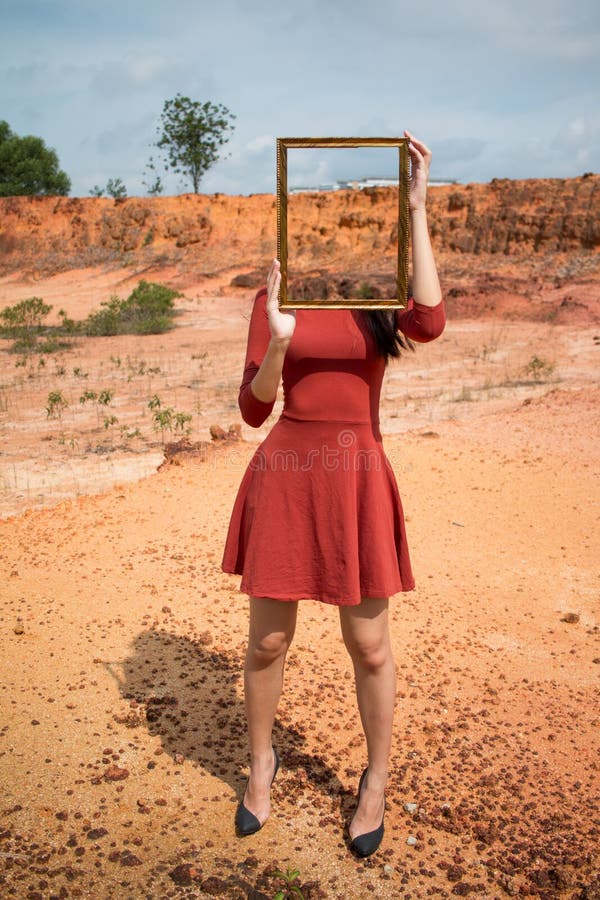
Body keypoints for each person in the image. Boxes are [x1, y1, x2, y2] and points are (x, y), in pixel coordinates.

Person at [221, 131, 446, 857]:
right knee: (268, 641)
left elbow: (432, 321)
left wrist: (417, 205)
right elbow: (254, 411)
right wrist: (280, 340)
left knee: (370, 644)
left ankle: (375, 780)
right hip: (287, 472)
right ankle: (261, 766)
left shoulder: (379, 299)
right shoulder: (276, 296)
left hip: (356, 473)